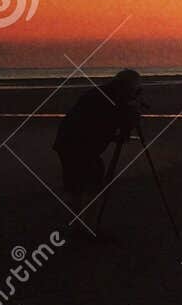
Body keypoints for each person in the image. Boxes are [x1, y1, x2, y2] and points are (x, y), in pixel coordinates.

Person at [54, 68, 143, 213]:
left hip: (69, 142)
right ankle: (85, 225)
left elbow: (99, 125)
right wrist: (131, 114)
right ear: (127, 87)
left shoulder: (103, 94)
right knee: (89, 185)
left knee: (78, 185)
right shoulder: (111, 98)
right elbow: (121, 124)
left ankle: (79, 224)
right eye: (134, 90)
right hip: (77, 146)